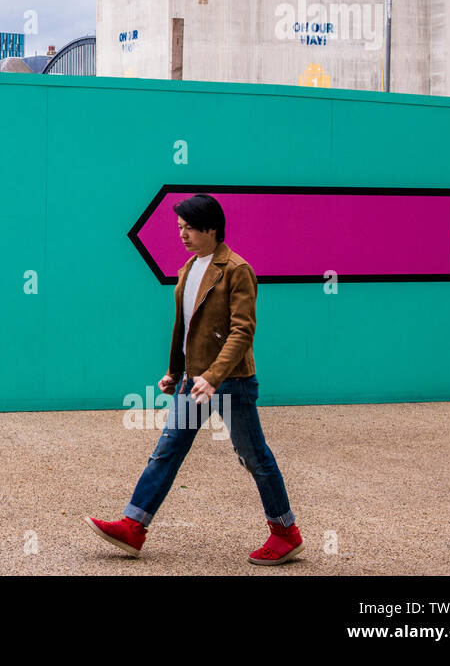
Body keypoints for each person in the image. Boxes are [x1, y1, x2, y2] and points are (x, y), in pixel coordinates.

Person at [85, 193, 302, 565]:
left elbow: (242, 331)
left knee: (254, 457)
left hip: (231, 382)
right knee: (167, 450)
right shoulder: (189, 269)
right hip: (193, 383)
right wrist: (175, 371)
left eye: (189, 228)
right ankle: (133, 526)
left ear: (211, 229)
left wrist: (214, 377)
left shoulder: (236, 270)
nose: (182, 235)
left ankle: (285, 532)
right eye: (180, 228)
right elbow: (185, 328)